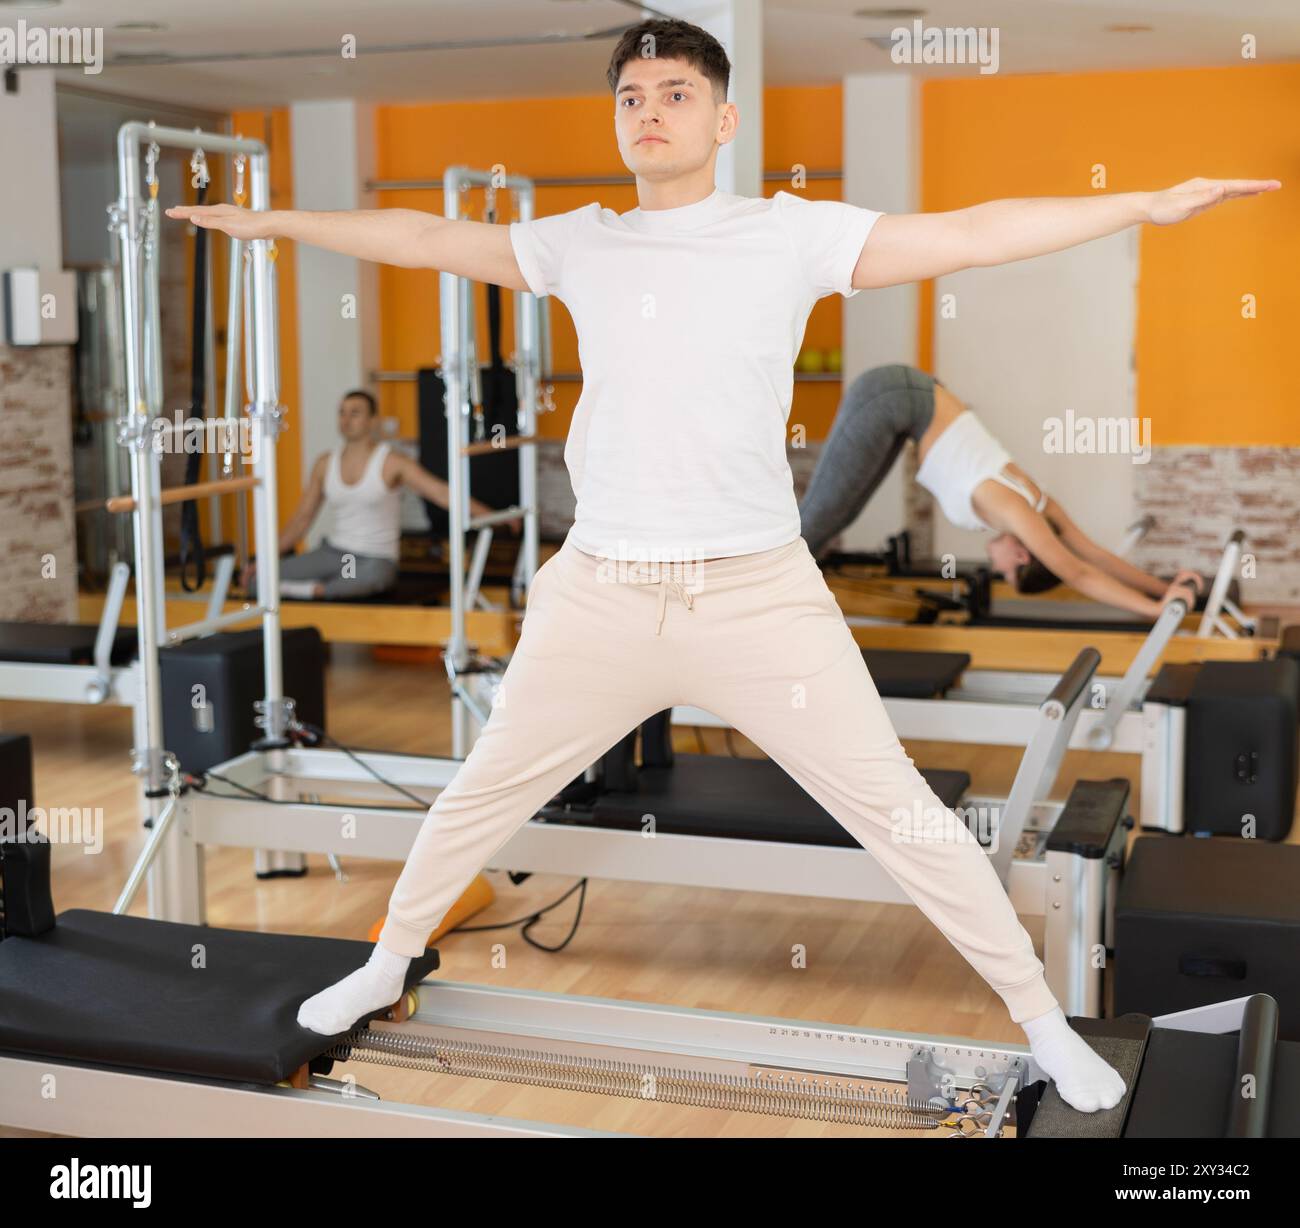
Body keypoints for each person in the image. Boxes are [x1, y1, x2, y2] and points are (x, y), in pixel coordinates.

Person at [171, 17, 1277, 1114]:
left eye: (673, 95)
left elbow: (972, 231)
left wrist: (1138, 203)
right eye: (631, 98)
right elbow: (417, 238)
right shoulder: (579, 240)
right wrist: (269, 220)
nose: (649, 112)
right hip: (604, 587)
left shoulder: (785, 234)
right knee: (481, 786)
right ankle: (385, 958)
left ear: (722, 117)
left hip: (757, 593)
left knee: (901, 814)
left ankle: (1042, 1017)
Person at [799, 364, 1205, 618]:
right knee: (816, 524)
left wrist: (1163, 585)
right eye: (1008, 571)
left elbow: (1095, 554)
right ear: (1022, 552)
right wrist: (1154, 609)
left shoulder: (1040, 504)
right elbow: (1078, 571)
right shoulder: (1017, 512)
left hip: (909, 401)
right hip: (895, 398)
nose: (997, 569)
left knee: (834, 521)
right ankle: (748, 603)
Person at [245, 388, 509, 600]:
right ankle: (316, 590)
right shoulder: (325, 463)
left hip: (374, 559)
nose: (346, 419)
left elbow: (440, 493)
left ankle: (314, 591)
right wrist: (264, 561)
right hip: (334, 554)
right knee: (257, 582)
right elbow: (301, 520)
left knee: (370, 578)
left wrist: (494, 516)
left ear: (372, 421)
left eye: (355, 413)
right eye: (342, 413)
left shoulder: (392, 462)